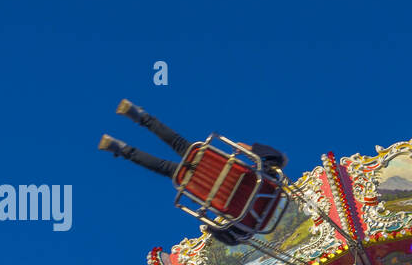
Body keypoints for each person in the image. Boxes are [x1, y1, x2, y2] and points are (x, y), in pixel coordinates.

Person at [98, 100, 287, 246]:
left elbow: (276, 158)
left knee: (179, 143)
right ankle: (120, 149)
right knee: (164, 167)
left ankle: (140, 116)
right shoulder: (246, 228)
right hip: (202, 188)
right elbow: (221, 232)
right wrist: (210, 224)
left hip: (217, 165)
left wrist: (248, 148)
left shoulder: (271, 181)